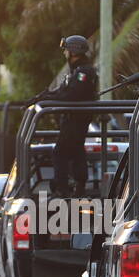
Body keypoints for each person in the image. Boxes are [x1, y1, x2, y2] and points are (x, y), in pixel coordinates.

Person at [24, 35, 99, 196]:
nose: (64, 53)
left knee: (60, 153)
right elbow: (62, 91)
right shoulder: (78, 71)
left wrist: (49, 99)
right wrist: (43, 97)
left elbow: (71, 95)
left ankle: (62, 189)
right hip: (73, 119)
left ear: (74, 51)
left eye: (66, 49)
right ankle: (77, 187)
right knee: (76, 150)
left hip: (76, 119)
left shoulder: (83, 72)